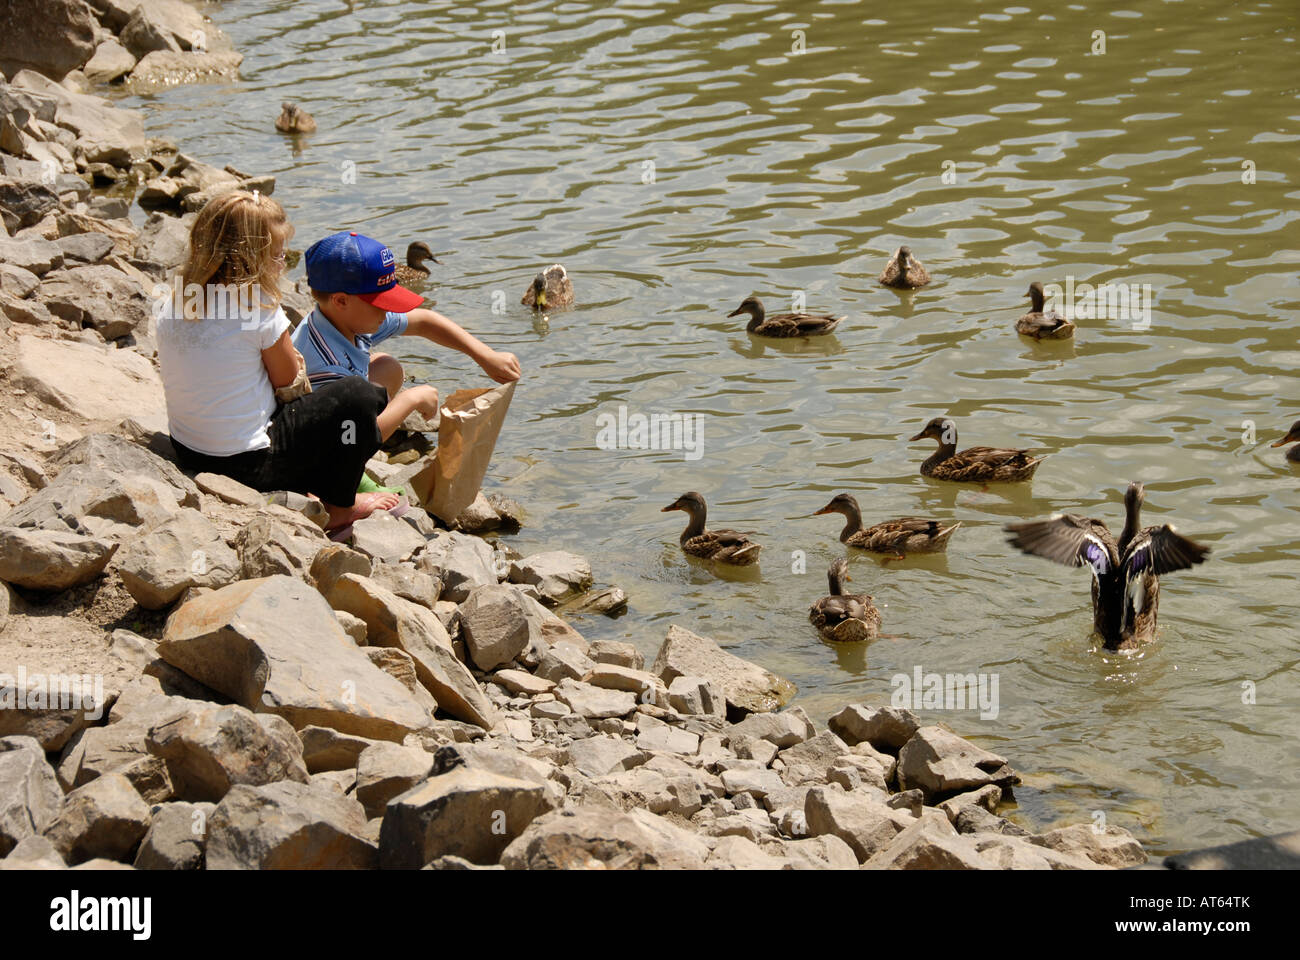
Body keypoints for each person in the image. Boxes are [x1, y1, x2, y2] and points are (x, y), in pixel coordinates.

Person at [156, 191, 401, 533]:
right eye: (277, 254)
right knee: (360, 395)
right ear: (250, 259)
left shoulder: (177, 299)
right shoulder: (255, 304)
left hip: (189, 450)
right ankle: (341, 506)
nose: (282, 263)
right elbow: (289, 381)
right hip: (248, 466)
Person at [292, 230, 521, 441]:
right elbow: (349, 439)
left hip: (340, 414)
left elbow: (424, 322)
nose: (387, 312)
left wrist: (485, 355)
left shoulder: (343, 320)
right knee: (362, 433)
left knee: (387, 367)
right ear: (341, 300)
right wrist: (410, 400)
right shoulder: (327, 367)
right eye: (380, 304)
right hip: (324, 443)